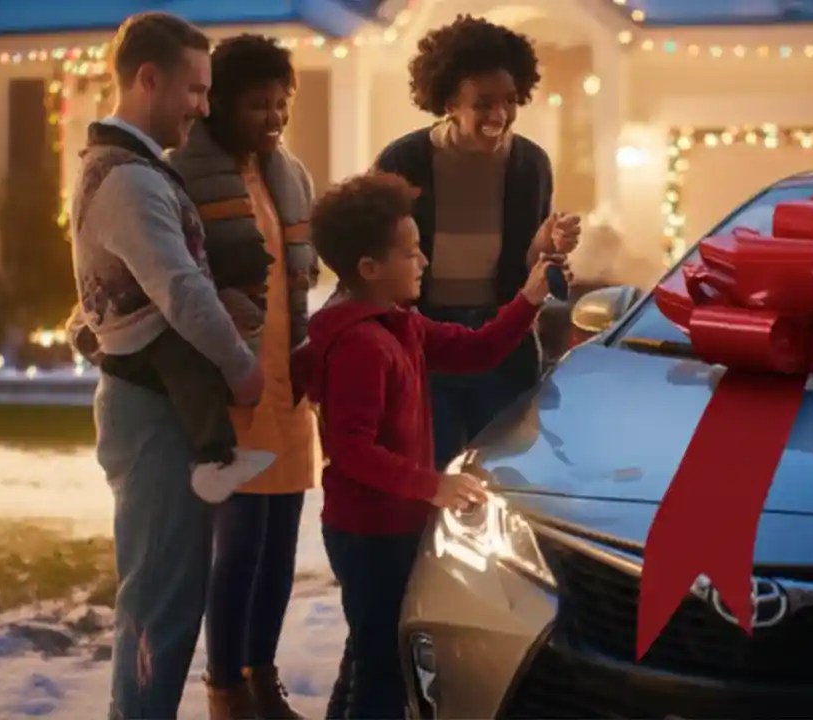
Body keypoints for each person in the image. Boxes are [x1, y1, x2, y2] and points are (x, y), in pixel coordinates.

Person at [297, 171, 566, 719]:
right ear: (371, 269)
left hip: (395, 524)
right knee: (382, 665)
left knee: (369, 652)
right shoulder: (361, 345)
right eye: (411, 253)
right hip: (368, 534)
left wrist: (529, 298)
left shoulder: (402, 325)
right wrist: (434, 485)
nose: (423, 263)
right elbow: (351, 449)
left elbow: (477, 350)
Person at [66, 12, 264, 719]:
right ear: (148, 78)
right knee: (160, 601)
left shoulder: (125, 169)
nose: (204, 107)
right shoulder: (130, 181)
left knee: (167, 594)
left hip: (151, 401)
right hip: (151, 411)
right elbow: (178, 290)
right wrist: (244, 371)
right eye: (195, 89)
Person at [167, 34, 319, 719]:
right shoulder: (185, 173)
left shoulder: (286, 173)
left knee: (282, 543)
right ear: (220, 102)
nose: (275, 116)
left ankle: (263, 673)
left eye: (282, 103)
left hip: (289, 383)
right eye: (260, 104)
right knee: (242, 547)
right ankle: (225, 686)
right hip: (233, 385)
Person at [374, 15, 581, 475]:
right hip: (425, 339)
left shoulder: (530, 163)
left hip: (504, 337)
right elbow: (379, 257)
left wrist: (547, 244)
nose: (499, 116)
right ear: (449, 101)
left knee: (505, 476)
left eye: (509, 101)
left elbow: (525, 264)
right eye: (482, 103)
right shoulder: (403, 160)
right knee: (429, 474)